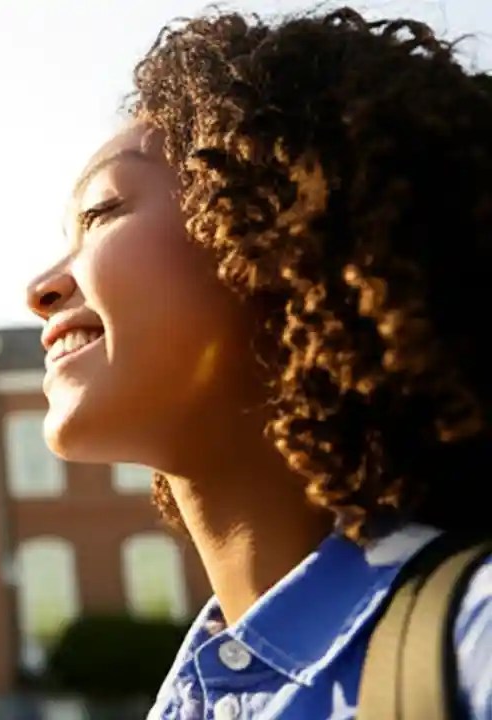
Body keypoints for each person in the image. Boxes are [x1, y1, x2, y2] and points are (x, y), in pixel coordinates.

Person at [25, 7, 492, 719]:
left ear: (280, 231)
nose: (41, 289)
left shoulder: (473, 645)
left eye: (104, 212)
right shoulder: (188, 704)